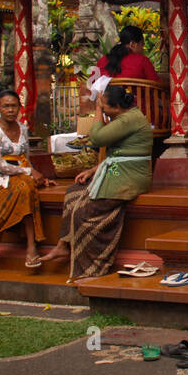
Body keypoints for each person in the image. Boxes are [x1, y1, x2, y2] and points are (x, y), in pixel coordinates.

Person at [37, 83, 153, 280]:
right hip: (118, 169)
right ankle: (63, 245)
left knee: (85, 211)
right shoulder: (125, 117)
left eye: (105, 107)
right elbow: (117, 152)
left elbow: (97, 138)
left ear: (116, 107)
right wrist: (92, 170)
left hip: (128, 176)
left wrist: (98, 110)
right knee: (74, 192)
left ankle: (94, 267)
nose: (103, 110)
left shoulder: (129, 119)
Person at [0, 90, 54, 276]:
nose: (10, 110)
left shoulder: (23, 128)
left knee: (26, 187)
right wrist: (28, 171)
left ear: (19, 107)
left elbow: (25, 158)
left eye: (14, 106)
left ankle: (32, 246)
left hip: (20, 175)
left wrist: (38, 176)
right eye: (6, 106)